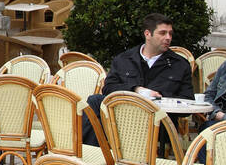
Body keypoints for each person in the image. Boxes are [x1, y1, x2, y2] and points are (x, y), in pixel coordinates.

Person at [82, 13, 193, 145]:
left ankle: (96, 156)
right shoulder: (124, 59)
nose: (168, 38)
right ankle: (94, 155)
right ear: (147, 34)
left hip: (157, 124)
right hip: (121, 118)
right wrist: (136, 90)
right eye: (162, 33)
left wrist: (158, 97)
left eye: (170, 33)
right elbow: (108, 88)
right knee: (95, 101)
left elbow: (188, 100)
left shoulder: (180, 64)